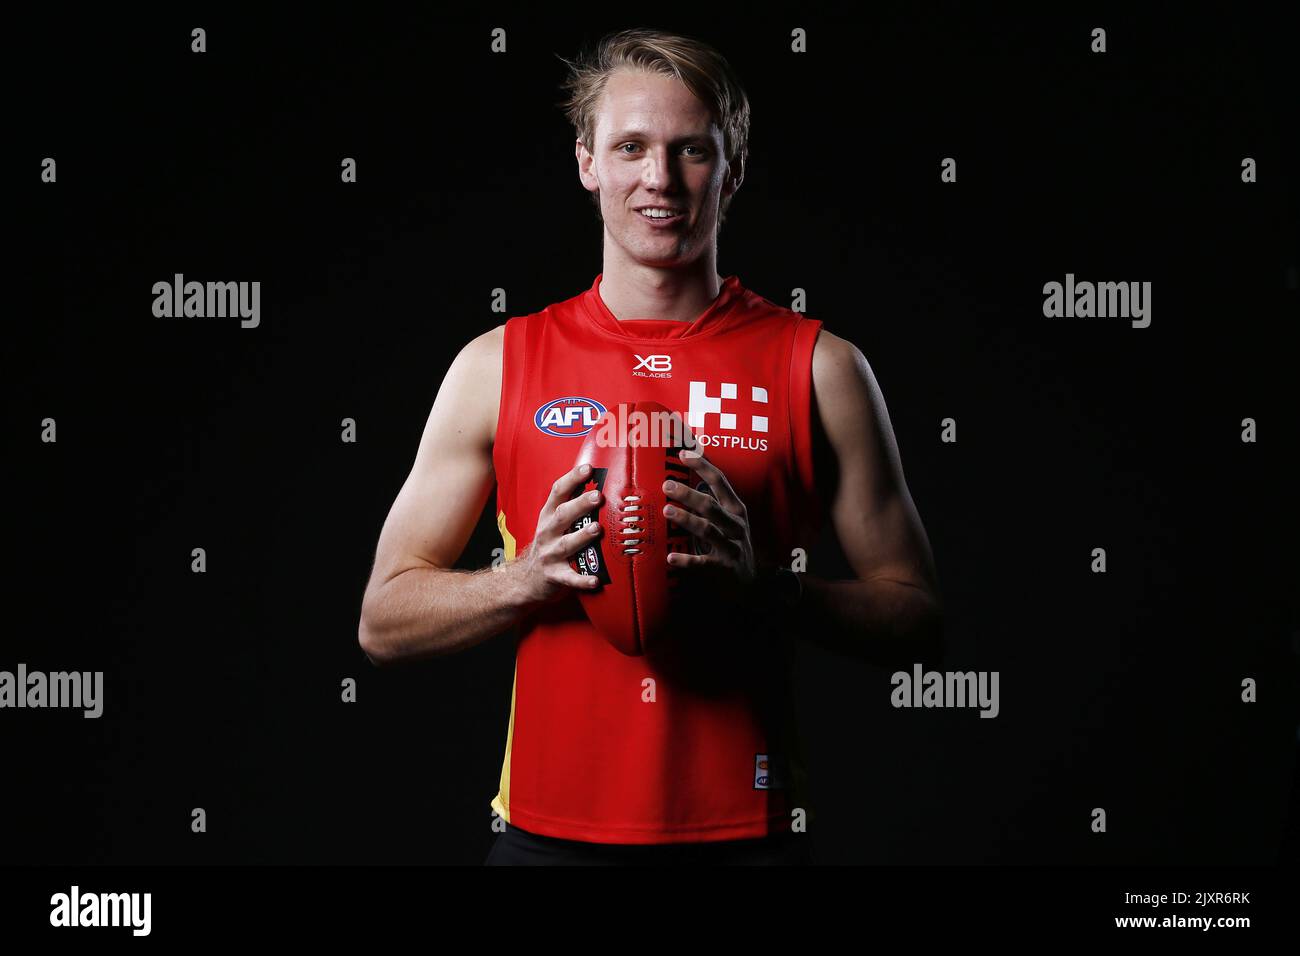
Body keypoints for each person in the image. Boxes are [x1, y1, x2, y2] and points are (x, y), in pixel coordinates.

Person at [357, 27, 944, 865]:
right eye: (630, 147)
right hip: (545, 839)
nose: (659, 180)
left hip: (747, 837)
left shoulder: (820, 366)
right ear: (587, 162)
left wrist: (765, 590)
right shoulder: (497, 365)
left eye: (691, 150)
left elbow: (919, 616)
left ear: (732, 168)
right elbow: (383, 622)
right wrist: (526, 581)